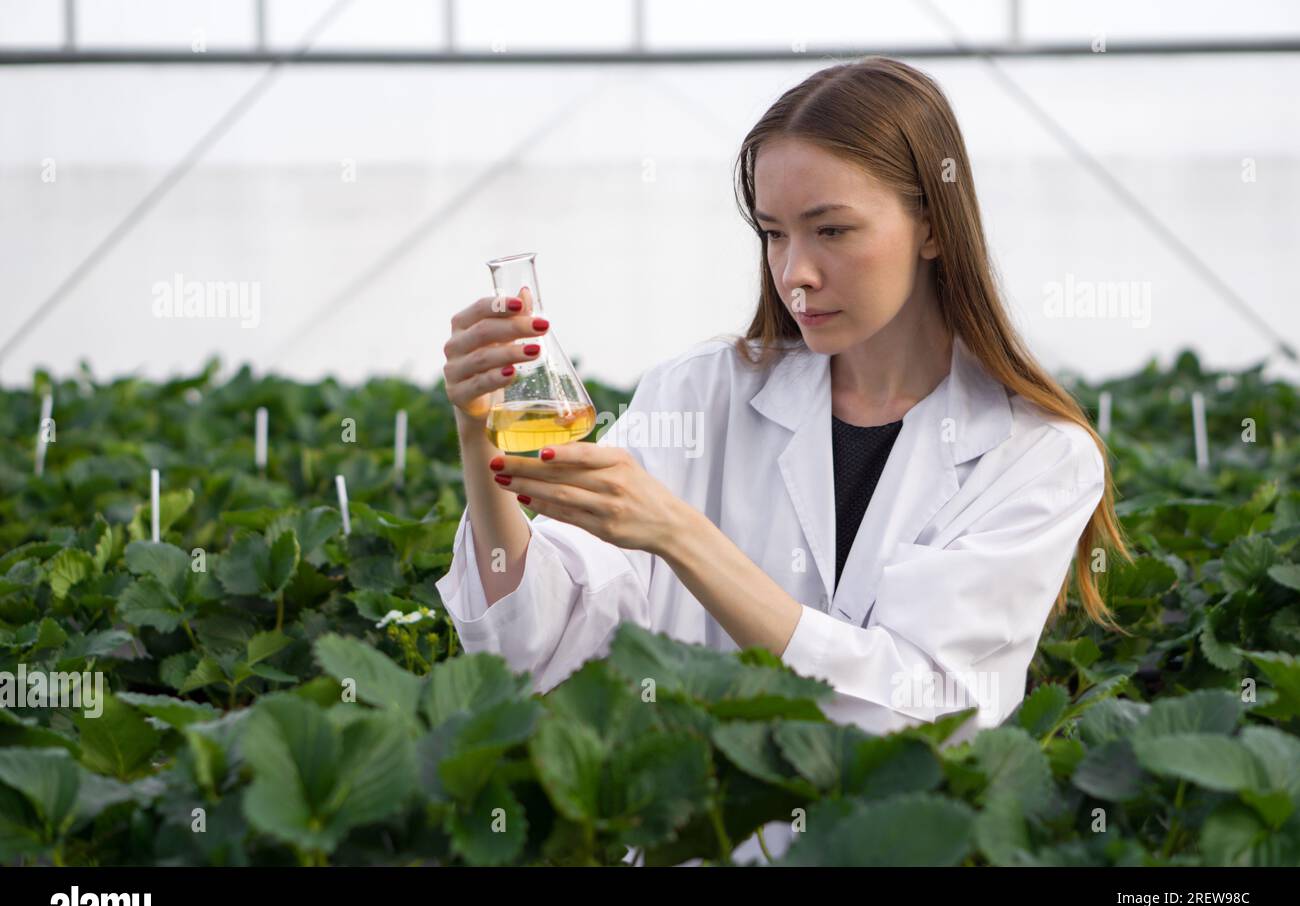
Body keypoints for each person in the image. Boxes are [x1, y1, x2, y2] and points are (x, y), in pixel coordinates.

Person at [434, 56, 1125, 865]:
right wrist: (479, 435)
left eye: (832, 230)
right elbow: (534, 642)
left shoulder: (1037, 456)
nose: (795, 273)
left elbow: (923, 712)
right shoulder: (701, 397)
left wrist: (682, 537)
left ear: (934, 225)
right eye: (773, 232)